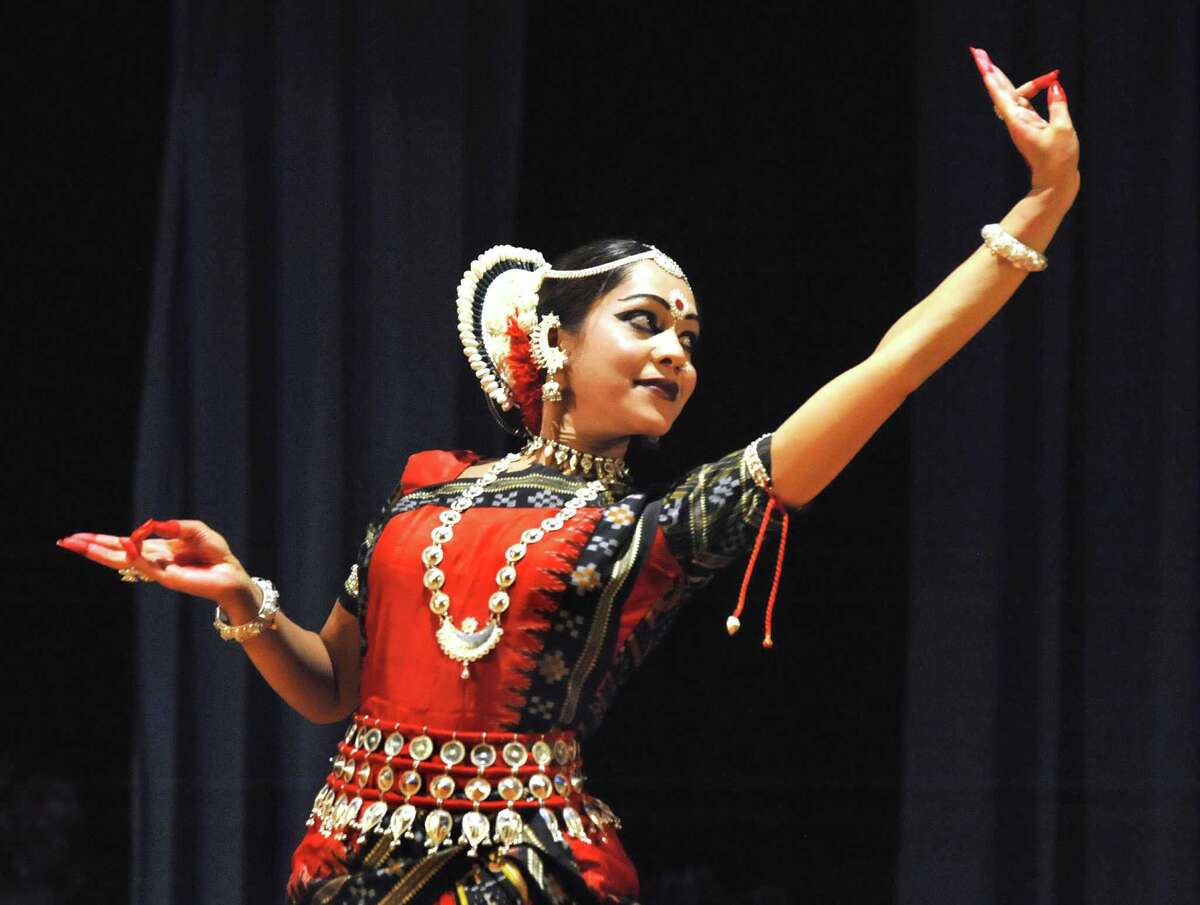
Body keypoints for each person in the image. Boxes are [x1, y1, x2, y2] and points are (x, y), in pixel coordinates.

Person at [58, 48, 1079, 905]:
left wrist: (1040, 206)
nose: (677, 352)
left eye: (690, 337)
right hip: (349, 869)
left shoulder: (652, 529)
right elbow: (331, 689)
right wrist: (243, 598)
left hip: (527, 873)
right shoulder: (426, 492)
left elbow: (887, 368)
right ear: (552, 340)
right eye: (645, 322)